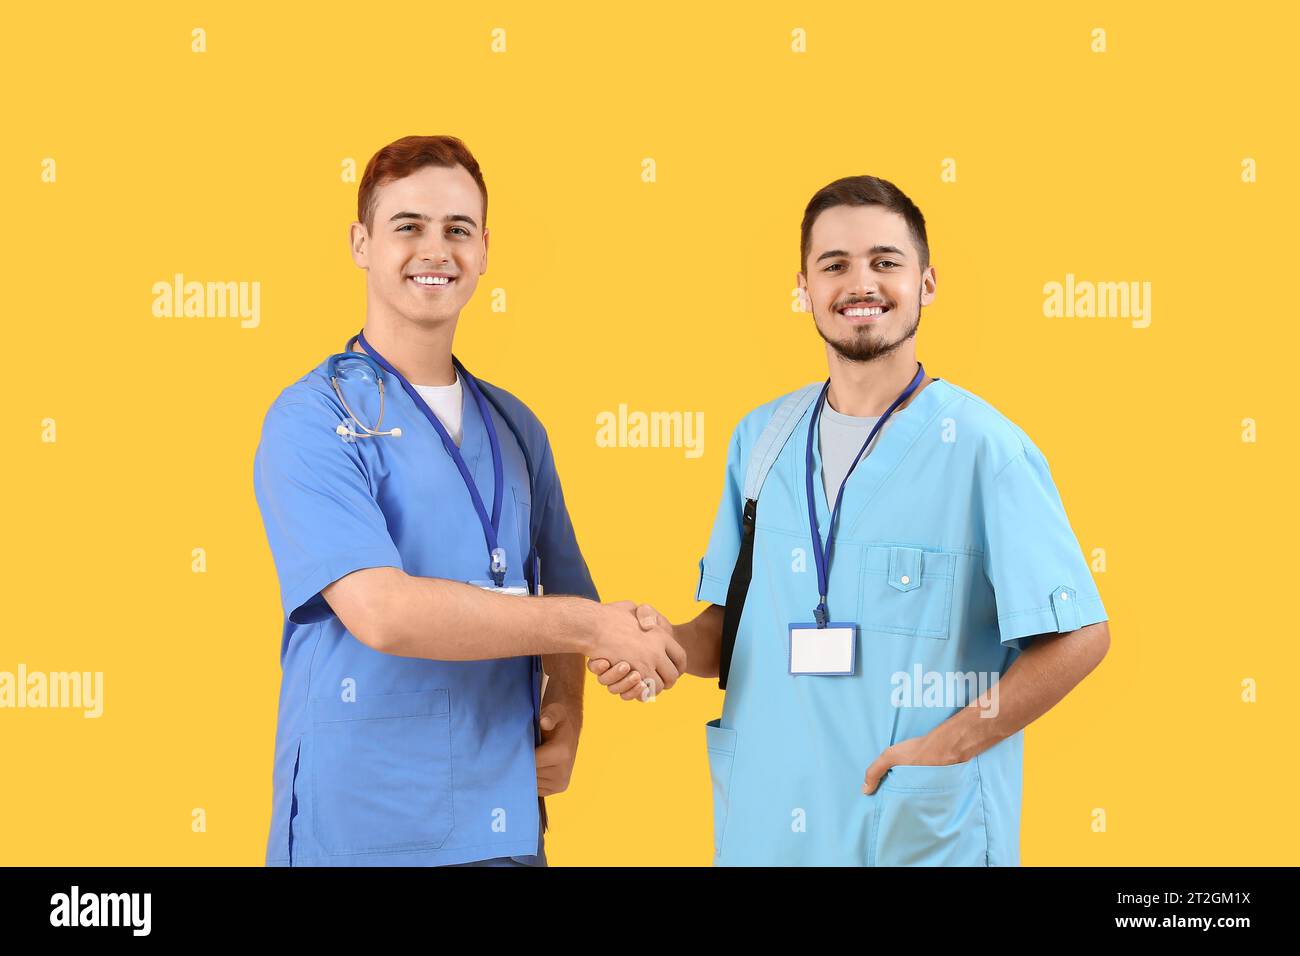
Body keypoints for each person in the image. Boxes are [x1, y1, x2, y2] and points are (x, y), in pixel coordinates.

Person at [591, 175, 1111, 866]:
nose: (860, 282)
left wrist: (950, 746)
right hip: (769, 827)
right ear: (803, 288)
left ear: (926, 283)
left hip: (915, 831)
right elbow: (736, 625)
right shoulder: (761, 440)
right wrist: (663, 647)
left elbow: (1081, 635)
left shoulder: (985, 450)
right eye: (833, 265)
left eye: (885, 262)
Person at [253, 134, 685, 867]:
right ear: (361, 243)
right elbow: (382, 613)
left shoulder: (516, 427)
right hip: (362, 827)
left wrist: (570, 707)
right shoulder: (311, 418)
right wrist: (594, 628)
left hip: (501, 821)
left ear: (485, 250)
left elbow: (569, 594)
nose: (435, 249)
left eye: (458, 230)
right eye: (407, 226)